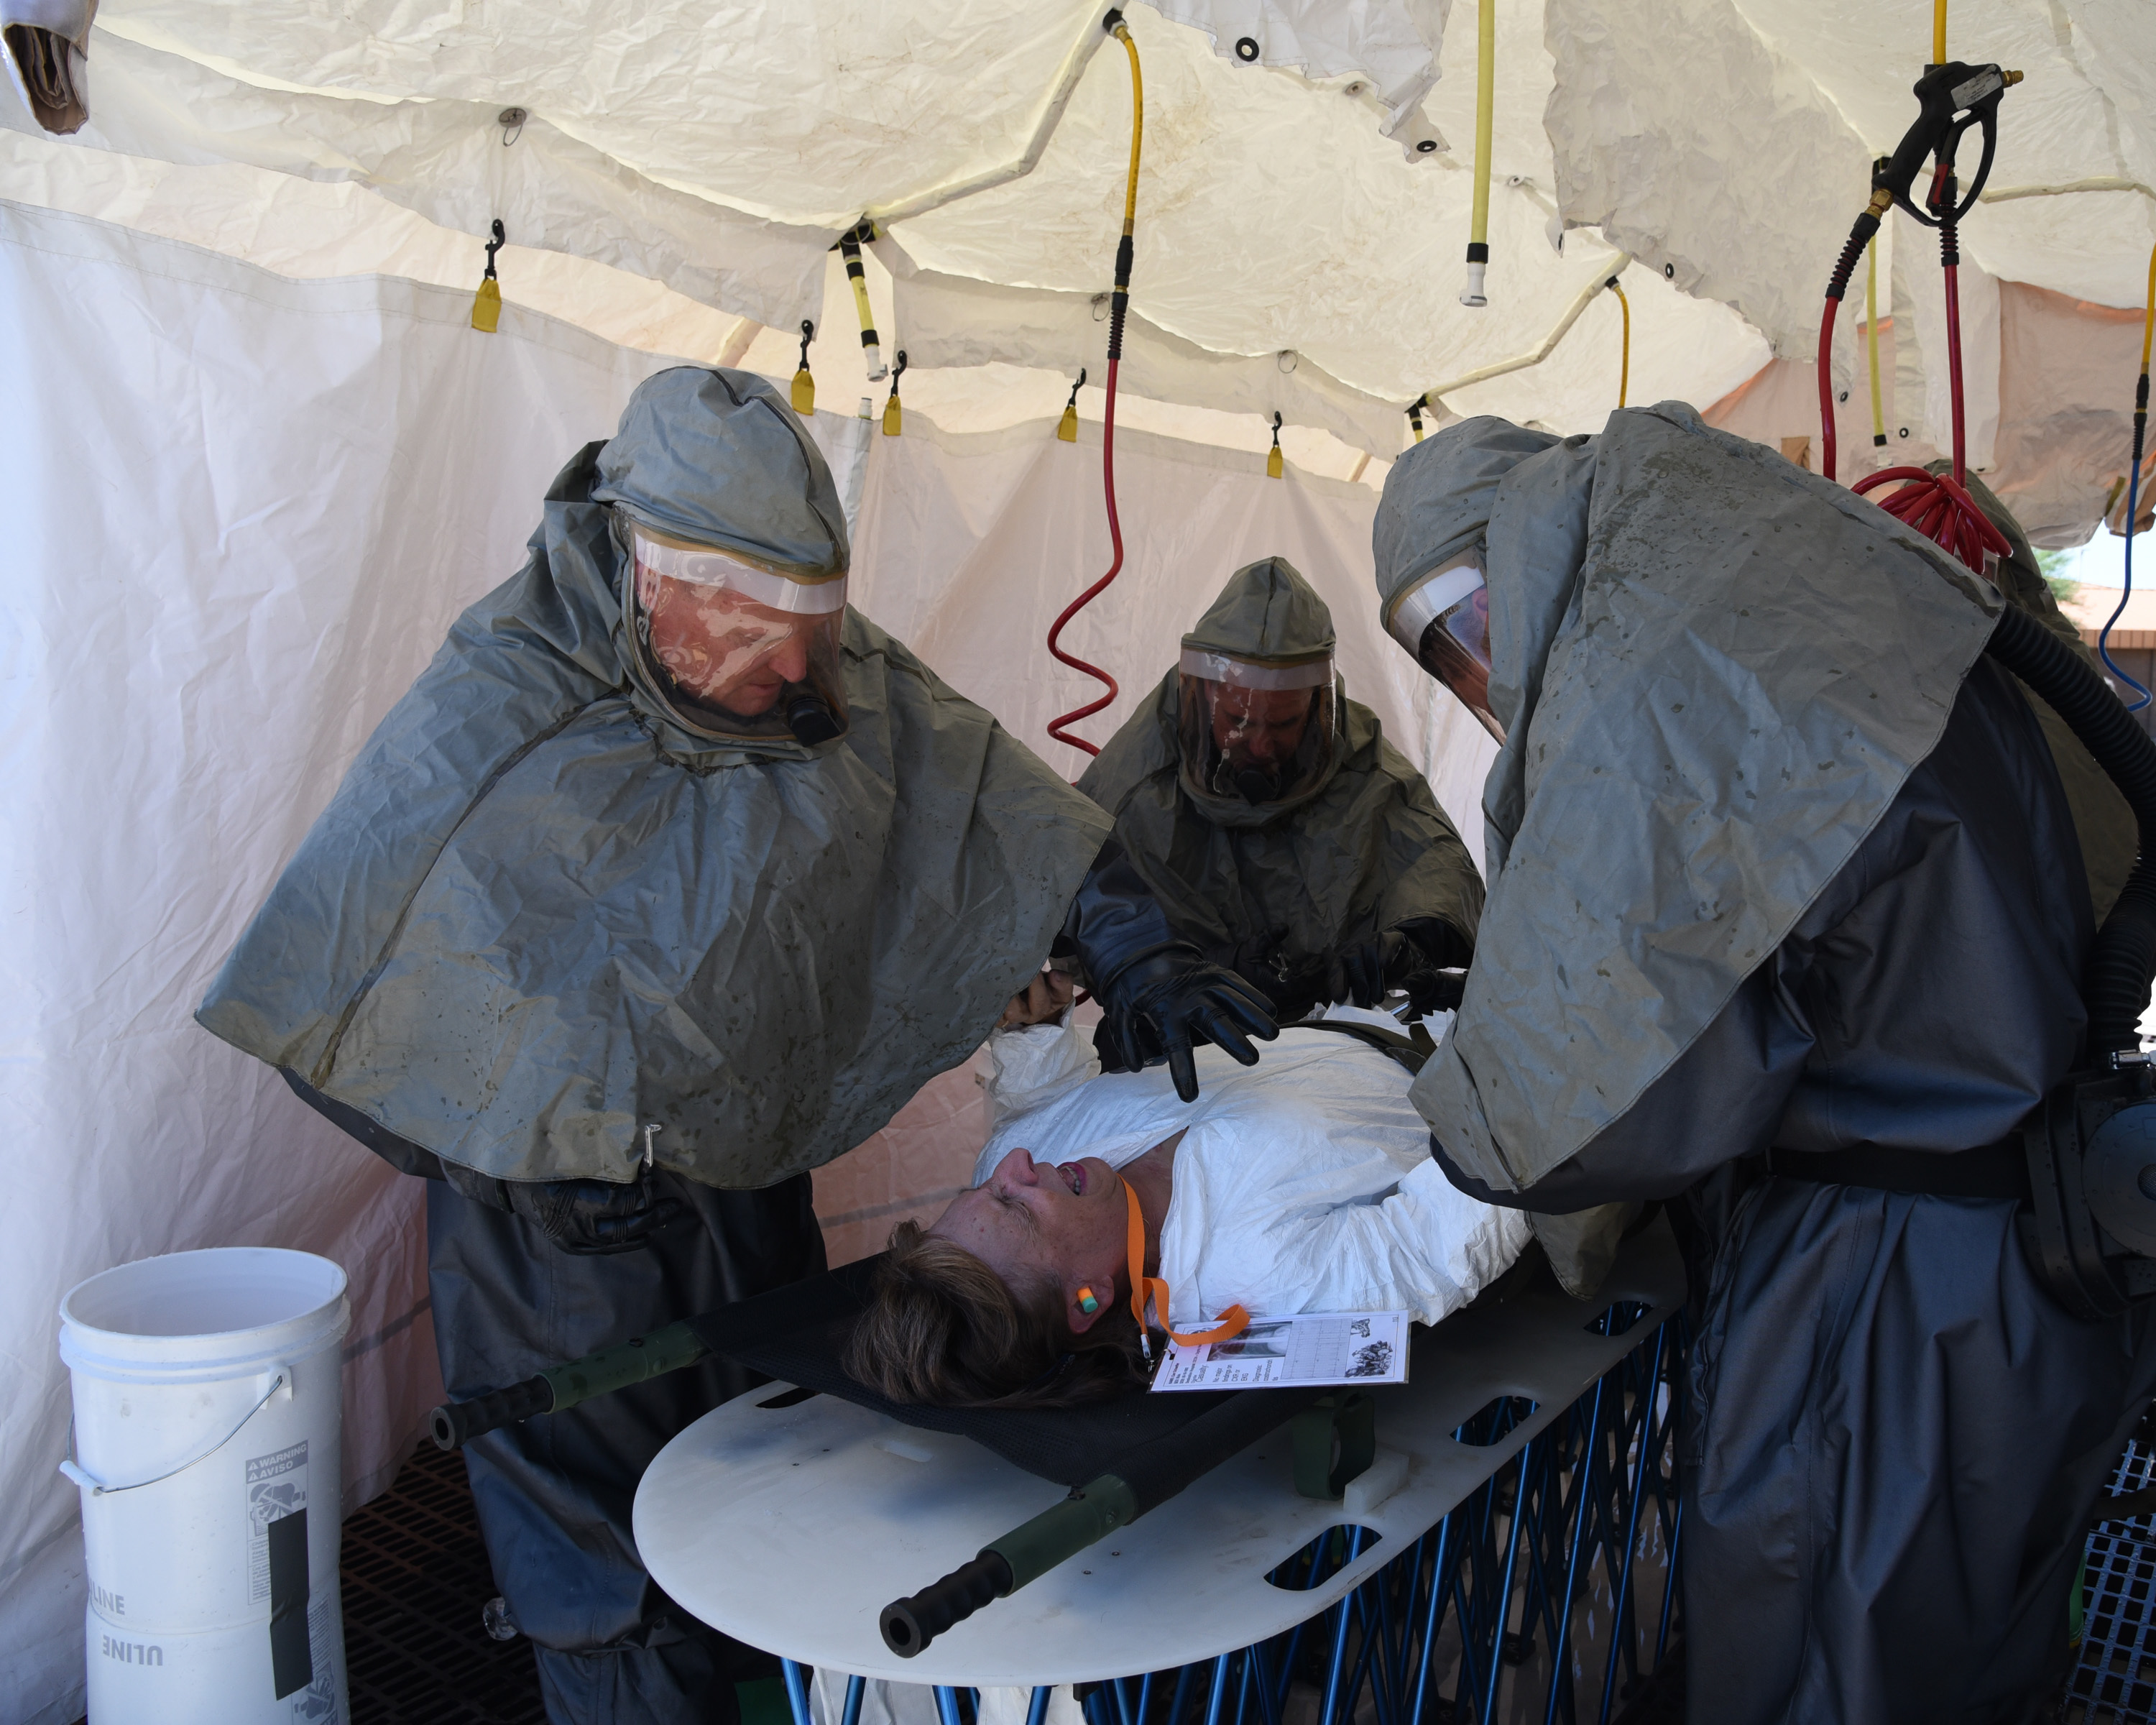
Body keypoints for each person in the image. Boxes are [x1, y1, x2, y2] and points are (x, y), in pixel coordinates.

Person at [195, 366, 1273, 1725]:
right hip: (553, 1238)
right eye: (759, 637)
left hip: (741, 1174)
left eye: (811, 635)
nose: (795, 673)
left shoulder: (821, 665)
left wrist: (1134, 941)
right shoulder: (504, 696)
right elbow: (357, 961)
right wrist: (536, 1140)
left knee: (781, 1488)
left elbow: (987, 791)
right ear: (657, 584)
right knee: (613, 1592)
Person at [1370, 402, 2156, 1724]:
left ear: (1540, 546)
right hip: (2021, 1259)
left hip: (1887, 1301)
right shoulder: (1815, 615)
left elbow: (1615, 1111)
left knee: (1821, 1667)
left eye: (1473, 621)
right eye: (1444, 656)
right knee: (1968, 1661)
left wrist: (1456, 1123)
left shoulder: (1682, 697)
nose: (1484, 672)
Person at [845, 986, 1529, 1407]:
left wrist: (1033, 1021)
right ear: (1088, 1299)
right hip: (1499, 1034)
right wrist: (1535, 1045)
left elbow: (1040, 1108)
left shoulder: (1018, 1158)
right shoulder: (1257, 1278)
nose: (1019, 1165)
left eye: (987, 1187)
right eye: (1016, 1204)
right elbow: (1448, 1239)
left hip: (1354, 990)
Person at [1077, 556, 1483, 1024]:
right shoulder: (1134, 781)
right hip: (1185, 1040)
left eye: (1286, 723)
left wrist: (1408, 939)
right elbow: (1092, 918)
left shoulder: (1356, 756)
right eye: (1239, 721)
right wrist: (1217, 966)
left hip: (1337, 1032)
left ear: (1317, 706)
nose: (1262, 745)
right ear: (1205, 693)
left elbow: (1434, 862)